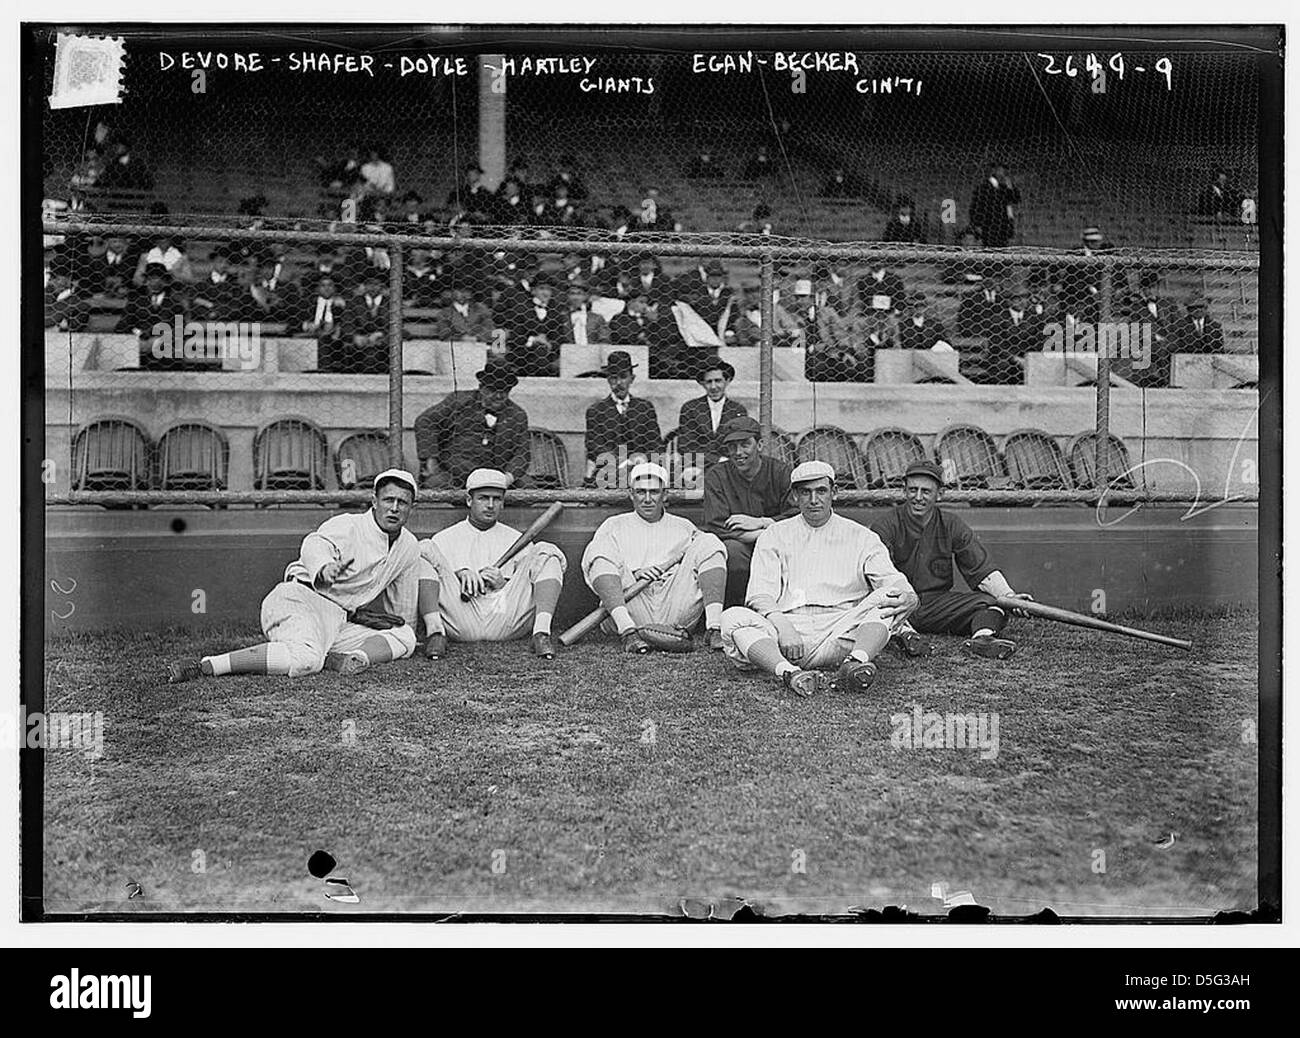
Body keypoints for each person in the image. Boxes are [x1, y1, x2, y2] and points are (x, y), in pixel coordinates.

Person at [168, 470, 425, 682]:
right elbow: (314, 544)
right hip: (299, 598)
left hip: (338, 619)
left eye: (402, 502)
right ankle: (207, 665)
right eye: (387, 500)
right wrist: (324, 568)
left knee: (405, 636)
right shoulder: (348, 525)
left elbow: (402, 603)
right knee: (306, 660)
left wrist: (399, 625)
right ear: (374, 501)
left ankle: (349, 658)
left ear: (411, 507)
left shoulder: (409, 546)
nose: (393, 508)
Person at [720, 461, 919, 696]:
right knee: (732, 618)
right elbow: (760, 595)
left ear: (833, 493)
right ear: (795, 496)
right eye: (806, 492)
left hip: (842, 631)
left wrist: (910, 597)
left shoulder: (861, 536)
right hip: (787, 634)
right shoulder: (774, 534)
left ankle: (854, 664)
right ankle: (789, 673)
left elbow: (890, 578)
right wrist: (784, 628)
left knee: (890, 596)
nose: (814, 499)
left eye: (821, 491)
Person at [871, 460, 1032, 660]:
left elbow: (980, 568)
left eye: (926, 491)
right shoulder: (886, 525)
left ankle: (982, 639)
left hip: (935, 604)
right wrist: (902, 602)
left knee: (993, 603)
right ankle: (906, 636)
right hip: (898, 602)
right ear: (904, 491)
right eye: (912, 490)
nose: (918, 497)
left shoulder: (951, 523)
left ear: (940, 494)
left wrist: (1009, 596)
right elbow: (877, 576)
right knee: (877, 605)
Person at [416, 469, 567, 660]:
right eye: (483, 498)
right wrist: (459, 573)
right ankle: (435, 633)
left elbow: (523, 589)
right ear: (469, 500)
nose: (490, 505)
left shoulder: (515, 538)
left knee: (548, 552)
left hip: (506, 615)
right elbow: (442, 583)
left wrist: (503, 584)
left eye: (496, 499)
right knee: (423, 549)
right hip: (460, 616)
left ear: (503, 503)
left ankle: (541, 633)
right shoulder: (445, 537)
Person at [582, 462, 728, 652]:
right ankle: (628, 634)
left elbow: (705, 555)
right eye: (641, 492)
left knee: (710, 542)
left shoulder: (683, 526)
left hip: (674, 608)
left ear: (665, 495)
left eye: (655, 492)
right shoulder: (614, 525)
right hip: (632, 604)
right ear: (631, 494)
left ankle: (714, 628)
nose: (648, 499)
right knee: (598, 549)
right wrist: (636, 572)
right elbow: (595, 567)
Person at [702, 416, 795, 607]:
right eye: (732, 446)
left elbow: (795, 516)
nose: (738, 452)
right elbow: (717, 525)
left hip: (778, 544)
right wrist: (760, 535)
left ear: (759, 445)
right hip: (741, 546)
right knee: (732, 552)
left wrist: (763, 522)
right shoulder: (717, 475)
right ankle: (735, 609)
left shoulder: (780, 472)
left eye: (745, 444)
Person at [413, 357, 530, 488]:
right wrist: (431, 458)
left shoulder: (517, 415)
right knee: (435, 485)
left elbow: (522, 453)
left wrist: (508, 477)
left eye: (504, 391)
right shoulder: (459, 401)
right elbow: (425, 421)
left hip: (497, 477)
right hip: (456, 474)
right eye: (493, 390)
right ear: (481, 387)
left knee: (528, 487)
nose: (498, 396)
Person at [583, 351, 662, 487]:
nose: (618, 383)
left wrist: (642, 459)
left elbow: (656, 444)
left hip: (642, 472)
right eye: (613, 378)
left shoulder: (645, 408)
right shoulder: (596, 411)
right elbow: (594, 446)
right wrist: (622, 463)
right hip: (609, 473)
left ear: (632, 379)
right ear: (608, 379)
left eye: (623, 377)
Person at [676, 357, 748, 469]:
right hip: (696, 466)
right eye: (709, 382)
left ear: (727, 381)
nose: (713, 387)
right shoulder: (691, 408)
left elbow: (740, 443)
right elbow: (685, 446)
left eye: (718, 381)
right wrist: (717, 460)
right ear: (702, 384)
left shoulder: (738, 410)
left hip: (730, 467)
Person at [968, 163, 1019, 248]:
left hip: (1002, 228)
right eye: (1001, 170)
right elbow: (976, 207)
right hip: (989, 226)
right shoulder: (984, 187)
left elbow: (1015, 199)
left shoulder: (1004, 188)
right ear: (995, 171)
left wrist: (1010, 186)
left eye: (1004, 171)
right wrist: (976, 224)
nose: (1003, 173)